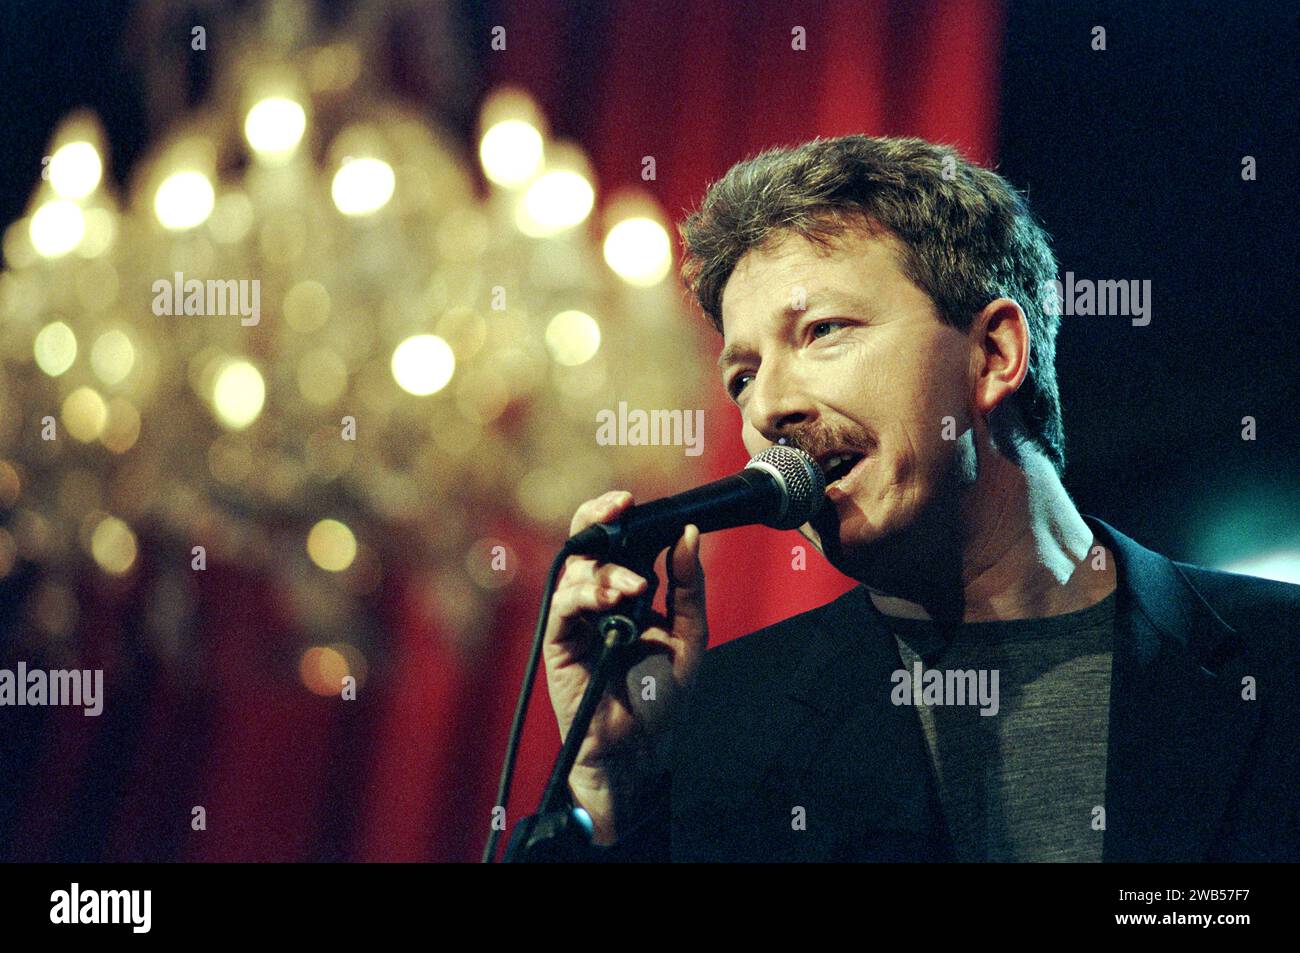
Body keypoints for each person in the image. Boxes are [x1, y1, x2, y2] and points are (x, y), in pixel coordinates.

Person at [541, 135, 1298, 862]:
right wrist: (615, 792)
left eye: (823, 330)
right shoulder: (728, 720)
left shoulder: (1278, 657)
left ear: (995, 353)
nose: (764, 408)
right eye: (741, 375)